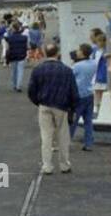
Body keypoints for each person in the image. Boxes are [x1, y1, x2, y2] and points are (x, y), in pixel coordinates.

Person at [27, 41, 79, 175]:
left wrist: (38, 102)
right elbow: (73, 91)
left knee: (46, 136)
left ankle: (47, 165)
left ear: (44, 53)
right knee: (63, 136)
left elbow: (31, 90)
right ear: (58, 54)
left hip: (44, 104)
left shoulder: (38, 69)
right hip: (61, 106)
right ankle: (64, 164)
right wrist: (72, 107)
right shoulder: (67, 70)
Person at [69, 43, 98, 151]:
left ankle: (66, 141)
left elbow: (70, 76)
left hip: (78, 95)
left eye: (79, 50)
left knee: (73, 120)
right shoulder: (93, 63)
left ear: (82, 53)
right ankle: (88, 142)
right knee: (88, 120)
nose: (77, 51)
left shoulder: (77, 66)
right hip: (89, 93)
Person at [4, 21, 30, 92]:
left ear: (13, 29)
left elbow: (7, 47)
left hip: (13, 55)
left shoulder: (9, 38)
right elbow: (28, 47)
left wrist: (8, 30)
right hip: (21, 55)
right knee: (20, 71)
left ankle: (15, 85)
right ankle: (18, 85)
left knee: (14, 71)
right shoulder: (24, 37)